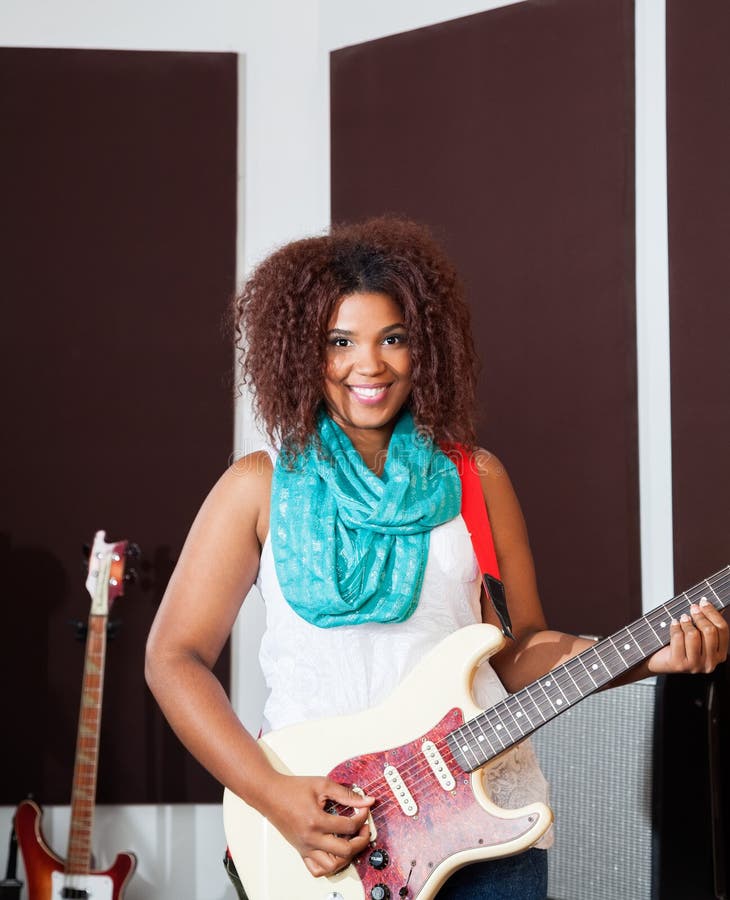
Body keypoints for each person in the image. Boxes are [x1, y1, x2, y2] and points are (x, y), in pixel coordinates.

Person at [145, 216, 728, 900]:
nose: (370, 365)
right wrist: (272, 794)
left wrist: (647, 657)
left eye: (394, 338)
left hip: (486, 824)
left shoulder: (476, 479)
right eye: (340, 342)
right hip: (323, 838)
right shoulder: (256, 485)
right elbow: (173, 657)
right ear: (303, 353)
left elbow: (521, 653)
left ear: (427, 348)